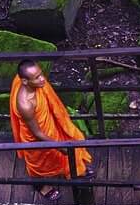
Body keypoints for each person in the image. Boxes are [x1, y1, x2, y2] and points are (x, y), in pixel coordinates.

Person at [9, 59, 91, 189]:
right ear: (24, 81)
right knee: (40, 165)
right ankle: (39, 186)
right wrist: (60, 147)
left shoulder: (33, 84)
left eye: (41, 74)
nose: (43, 79)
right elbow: (37, 133)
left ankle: (74, 171)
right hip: (37, 138)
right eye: (37, 78)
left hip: (50, 127)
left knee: (66, 152)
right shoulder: (25, 105)